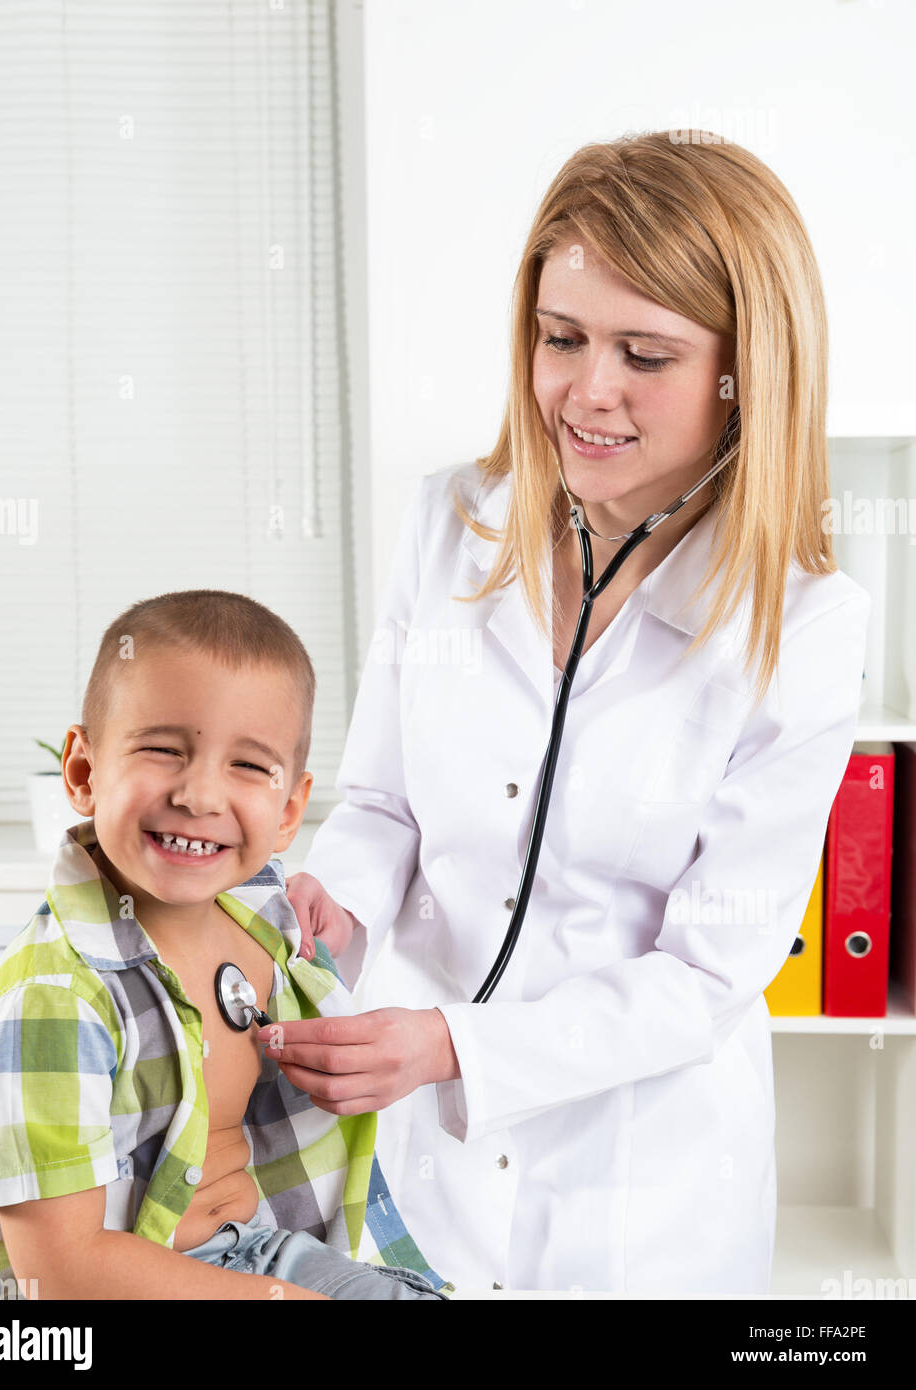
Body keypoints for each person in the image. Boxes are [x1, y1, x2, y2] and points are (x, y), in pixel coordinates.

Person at [263, 132, 872, 1293]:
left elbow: (704, 975)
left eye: (646, 353)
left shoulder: (804, 626)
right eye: (562, 338)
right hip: (425, 1182)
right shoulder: (450, 520)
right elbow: (385, 802)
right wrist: (321, 918)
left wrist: (449, 1046)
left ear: (751, 371)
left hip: (639, 1215)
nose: (589, 390)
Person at [0, 589, 448, 1300]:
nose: (200, 795)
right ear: (83, 773)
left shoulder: (268, 926)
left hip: (258, 1252)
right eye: (161, 749)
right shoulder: (49, 1005)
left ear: (289, 811)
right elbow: (56, 1275)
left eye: (247, 766)